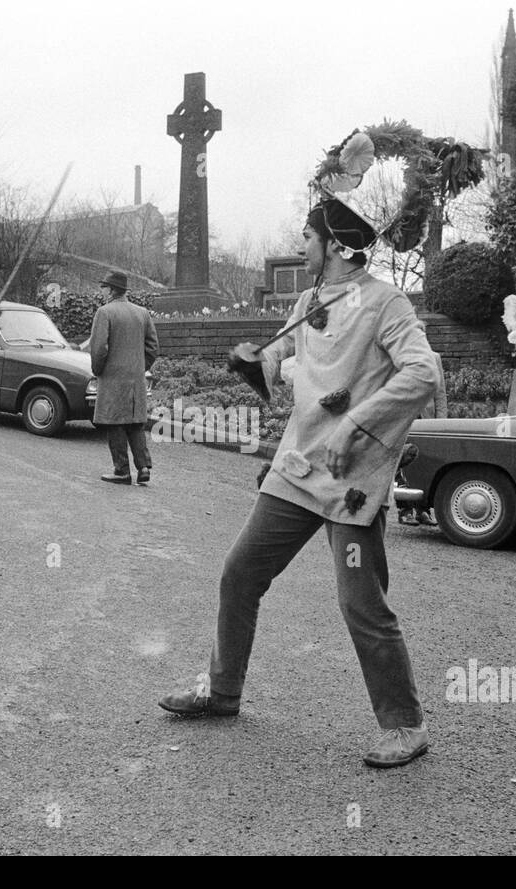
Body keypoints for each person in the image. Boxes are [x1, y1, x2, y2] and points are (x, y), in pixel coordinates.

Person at [159, 176, 441, 768]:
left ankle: (405, 725)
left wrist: (356, 425)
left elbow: (423, 373)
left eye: (308, 237)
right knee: (240, 573)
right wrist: (255, 361)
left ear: (336, 244)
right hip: (295, 469)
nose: (302, 246)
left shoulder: (387, 303)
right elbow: (283, 361)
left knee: (360, 603)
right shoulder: (309, 302)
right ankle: (223, 690)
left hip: (352, 479)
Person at [90, 271, 158, 485]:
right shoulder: (142, 313)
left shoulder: (104, 312)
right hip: (136, 378)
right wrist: (139, 367)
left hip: (113, 377)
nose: (102, 291)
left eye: (104, 287)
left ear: (111, 290)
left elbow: (99, 348)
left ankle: (122, 471)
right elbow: (153, 347)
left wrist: (98, 370)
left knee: (115, 422)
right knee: (135, 423)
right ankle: (143, 467)